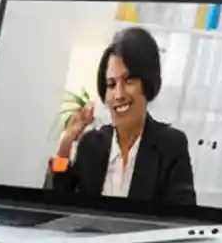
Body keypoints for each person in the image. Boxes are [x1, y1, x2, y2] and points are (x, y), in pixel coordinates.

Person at [47, 27, 196, 206]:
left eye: (129, 80)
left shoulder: (171, 145)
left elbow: (182, 215)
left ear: (148, 83)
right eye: (111, 84)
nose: (118, 95)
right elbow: (53, 204)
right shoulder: (91, 145)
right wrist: (65, 142)